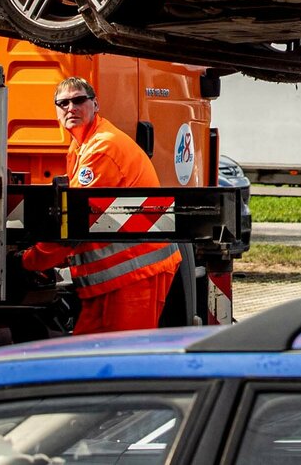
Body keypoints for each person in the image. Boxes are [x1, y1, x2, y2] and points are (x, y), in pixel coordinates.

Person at [20, 77, 181, 333]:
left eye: (78, 100)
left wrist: (29, 261)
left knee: (122, 360)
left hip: (134, 272)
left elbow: (74, 220)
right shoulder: (82, 146)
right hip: (114, 275)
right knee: (92, 357)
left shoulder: (102, 148)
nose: (70, 107)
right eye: (63, 103)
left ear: (95, 104)